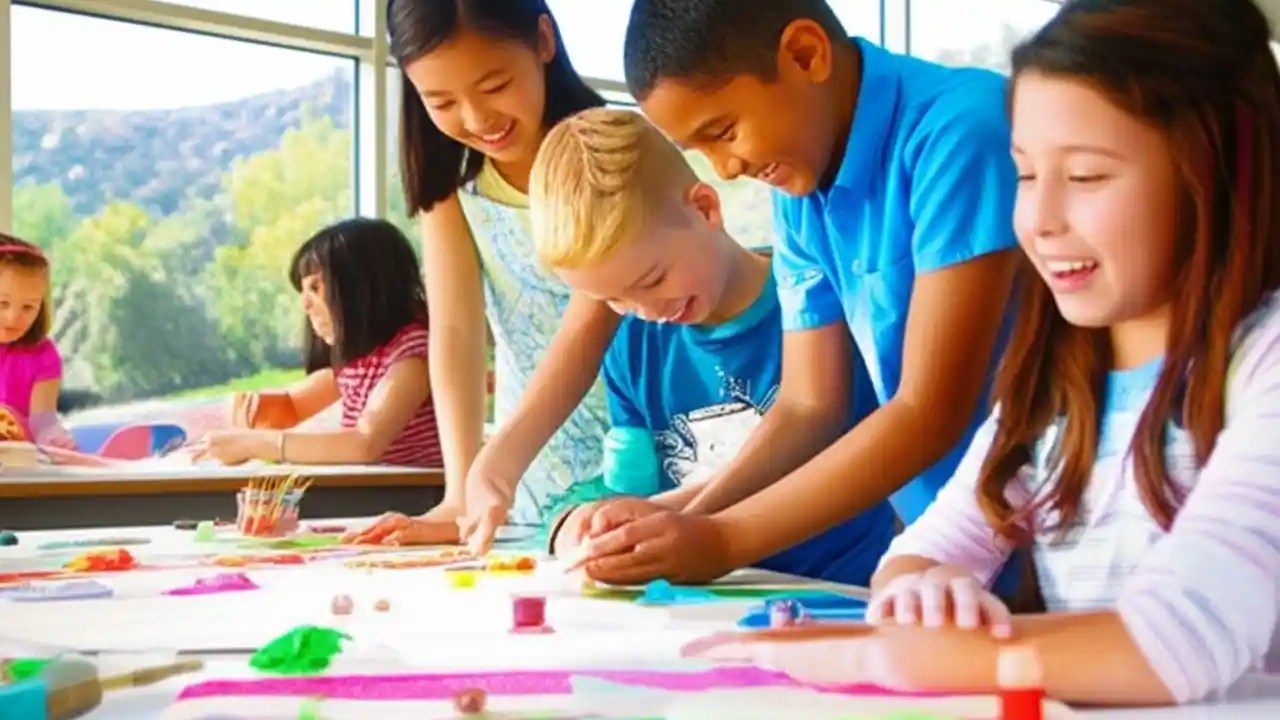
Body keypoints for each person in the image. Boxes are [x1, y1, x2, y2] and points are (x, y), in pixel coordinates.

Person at [685, 0, 1280, 706]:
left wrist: (895, 655)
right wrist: (925, 591)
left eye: (1086, 177)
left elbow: (1177, 640)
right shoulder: (1055, 384)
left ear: (1216, 169)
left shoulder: (1263, 365)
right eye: (1025, 175)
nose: (1040, 220)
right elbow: (921, 552)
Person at [566, 0, 1019, 584]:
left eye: (723, 132)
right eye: (699, 151)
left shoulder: (959, 131)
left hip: (1042, 537)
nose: (724, 169)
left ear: (806, 55)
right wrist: (685, 520)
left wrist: (722, 540)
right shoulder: (800, 187)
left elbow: (929, 410)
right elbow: (808, 406)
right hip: (951, 549)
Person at [531, 107, 896, 584]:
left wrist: (678, 516)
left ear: (706, 208)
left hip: (841, 591)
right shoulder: (632, 345)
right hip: (701, 601)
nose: (646, 310)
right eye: (613, 299)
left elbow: (843, 460)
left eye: (652, 279)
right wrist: (581, 523)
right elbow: (631, 483)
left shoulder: (817, 306)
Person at [346, 0, 614, 547]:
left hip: (633, 449)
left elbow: (592, 318)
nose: (476, 119)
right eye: (442, 101)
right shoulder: (456, 183)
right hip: (523, 478)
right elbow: (456, 333)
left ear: (543, 41)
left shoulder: (608, 149)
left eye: (495, 85)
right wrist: (459, 494)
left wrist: (494, 466)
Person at [194, 218, 444, 475]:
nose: (304, 304)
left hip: (416, 493)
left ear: (360, 286)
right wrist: (247, 412)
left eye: (315, 287)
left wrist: (254, 444)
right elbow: (291, 406)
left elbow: (364, 444)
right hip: (382, 490)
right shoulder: (358, 363)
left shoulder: (412, 357)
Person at [0, 235, 75, 450]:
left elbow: (43, 422)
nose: (13, 317)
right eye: (2, 303)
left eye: (28, 307)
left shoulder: (43, 356)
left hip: (19, 460)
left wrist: (54, 438)